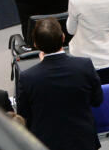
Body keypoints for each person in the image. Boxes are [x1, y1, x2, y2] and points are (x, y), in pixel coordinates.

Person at [16, 17, 102, 150]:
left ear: (36, 45)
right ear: (63, 37)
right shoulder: (84, 66)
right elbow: (97, 100)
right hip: (84, 142)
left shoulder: (27, 78)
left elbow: (24, 117)